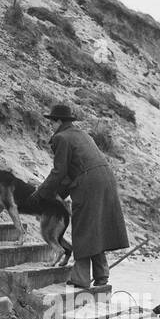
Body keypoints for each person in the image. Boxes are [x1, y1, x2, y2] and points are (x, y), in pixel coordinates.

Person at [35, 103, 130, 288]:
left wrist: (41, 194)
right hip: (106, 179)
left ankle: (80, 278)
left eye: (52, 122)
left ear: (59, 121)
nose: (51, 127)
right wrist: (57, 195)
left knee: (83, 228)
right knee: (95, 229)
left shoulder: (61, 138)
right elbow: (72, 171)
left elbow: (59, 172)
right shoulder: (82, 134)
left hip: (89, 183)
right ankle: (101, 276)